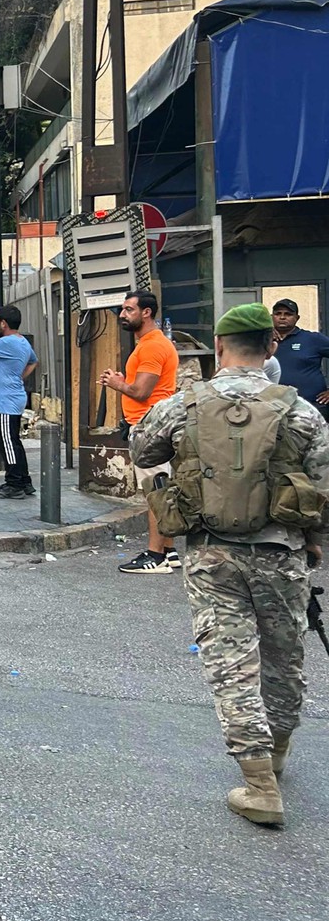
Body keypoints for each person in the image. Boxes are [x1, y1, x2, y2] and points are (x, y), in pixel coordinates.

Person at [131, 302, 329, 826]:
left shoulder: (185, 404)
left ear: (219, 346)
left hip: (211, 553)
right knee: (284, 657)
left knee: (231, 665)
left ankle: (259, 783)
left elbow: (142, 452)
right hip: (282, 551)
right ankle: (277, 753)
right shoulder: (300, 410)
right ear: (271, 346)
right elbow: (324, 485)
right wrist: (314, 545)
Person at [100, 291, 180, 574]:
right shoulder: (150, 344)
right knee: (161, 489)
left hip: (151, 427)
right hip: (151, 424)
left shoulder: (152, 346)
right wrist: (125, 382)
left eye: (129, 310)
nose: (123, 315)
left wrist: (117, 384)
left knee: (154, 492)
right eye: (123, 309)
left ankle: (155, 555)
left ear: (146, 312)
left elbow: (142, 391)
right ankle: (169, 550)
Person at [0, 306, 38, 498]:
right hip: (9, 397)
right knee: (13, 441)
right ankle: (24, 481)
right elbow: (33, 361)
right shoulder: (21, 341)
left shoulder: (6, 342)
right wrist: (18, 377)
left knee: (7, 443)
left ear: (3, 323)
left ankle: (14, 484)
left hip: (5, 400)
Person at [271, 298, 329, 420]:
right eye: (278, 314)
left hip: (313, 407)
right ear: (272, 317)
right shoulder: (262, 341)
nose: (282, 317)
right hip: (274, 409)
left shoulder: (313, 339)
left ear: (297, 318)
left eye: (288, 314)